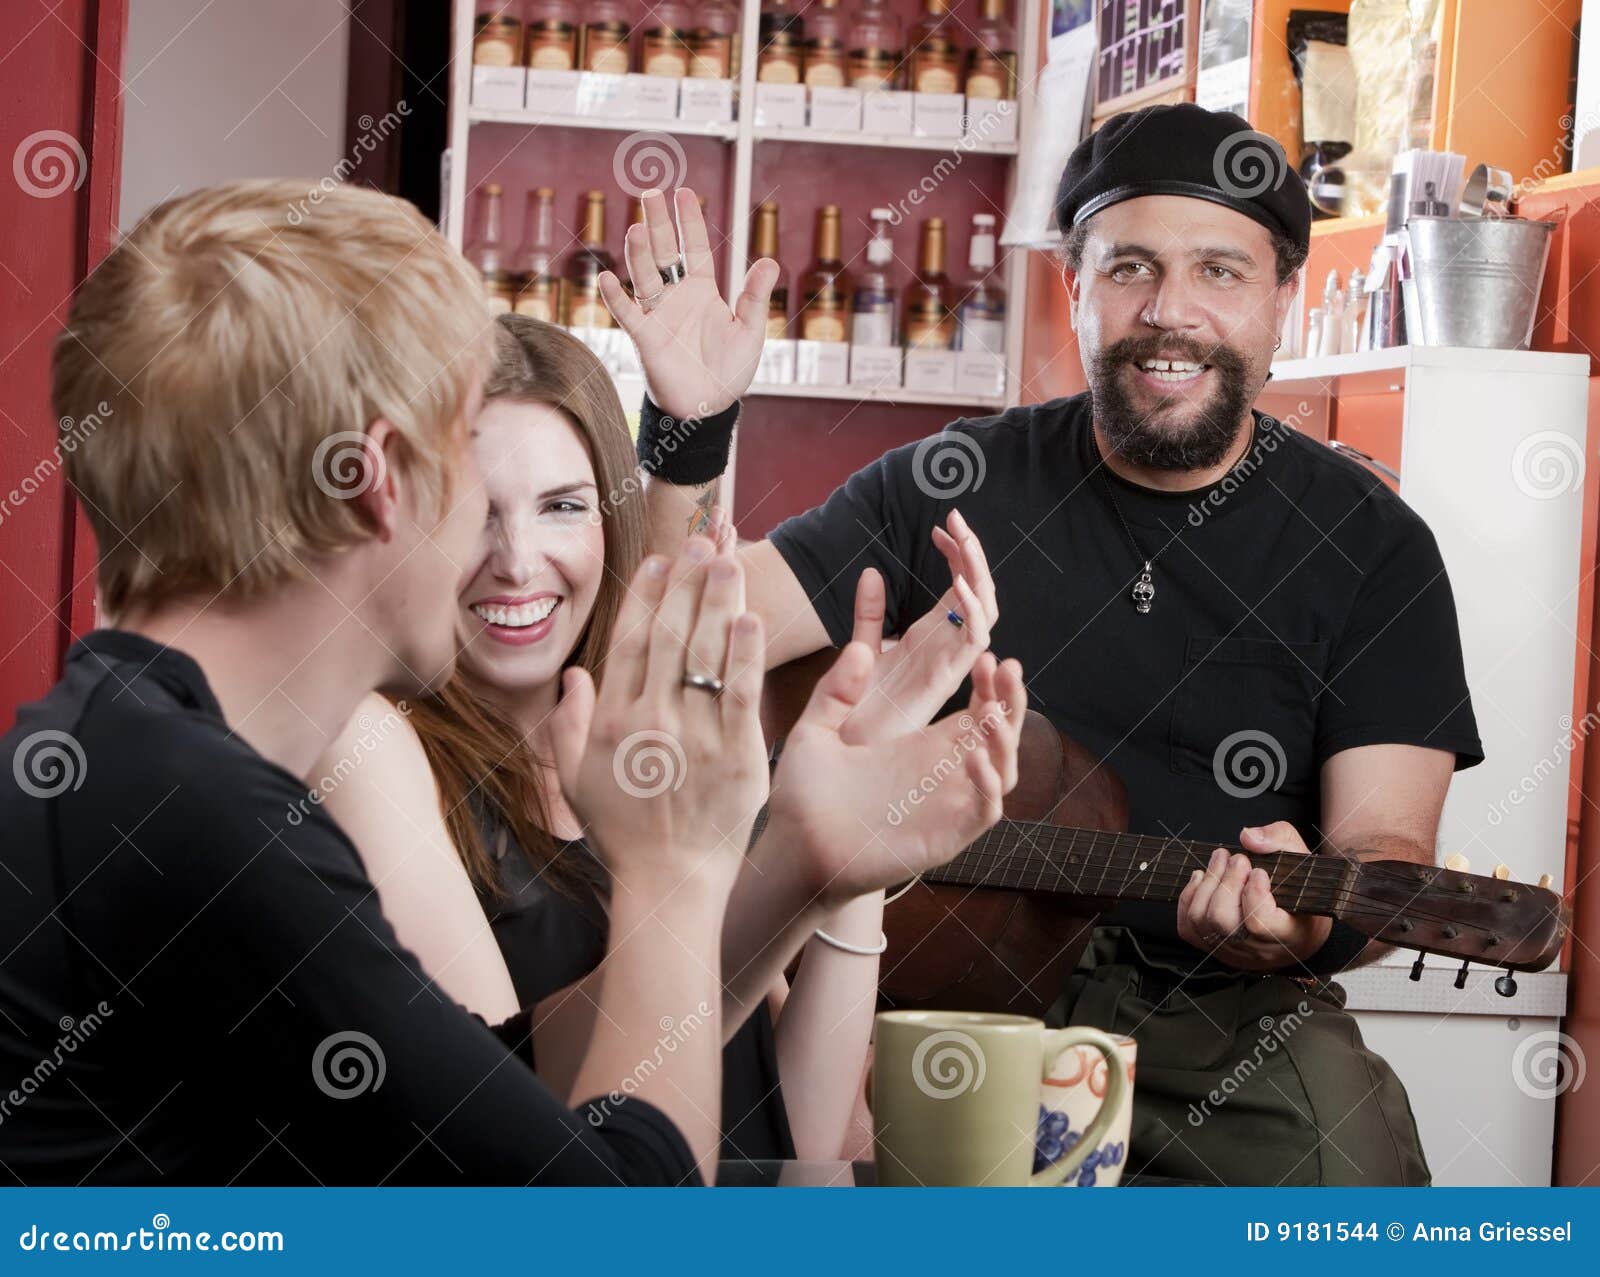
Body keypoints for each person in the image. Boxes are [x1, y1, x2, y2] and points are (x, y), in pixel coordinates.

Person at [0, 179, 1023, 1185]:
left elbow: (507, 1102)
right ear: (378, 479)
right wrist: (673, 870)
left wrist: (799, 861)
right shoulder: (200, 816)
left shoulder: (142, 760)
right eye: (468, 470)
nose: (508, 553)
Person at [599, 106, 1483, 1186]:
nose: (1170, 313)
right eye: (1129, 269)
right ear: (1075, 287)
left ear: (1281, 303)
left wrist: (1299, 932)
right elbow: (678, 647)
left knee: (1355, 1168)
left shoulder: (1371, 545)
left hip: (1209, 1012)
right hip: (909, 997)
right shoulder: (946, 481)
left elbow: (1387, 842)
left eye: (1218, 272)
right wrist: (689, 429)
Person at [313, 314, 1023, 1160]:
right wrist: (785, 862)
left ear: (608, 521)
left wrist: (848, 852)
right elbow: (493, 1118)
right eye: (470, 512)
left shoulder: (662, 744)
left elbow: (796, 1131)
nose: (516, 559)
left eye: (562, 507)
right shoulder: (372, 748)